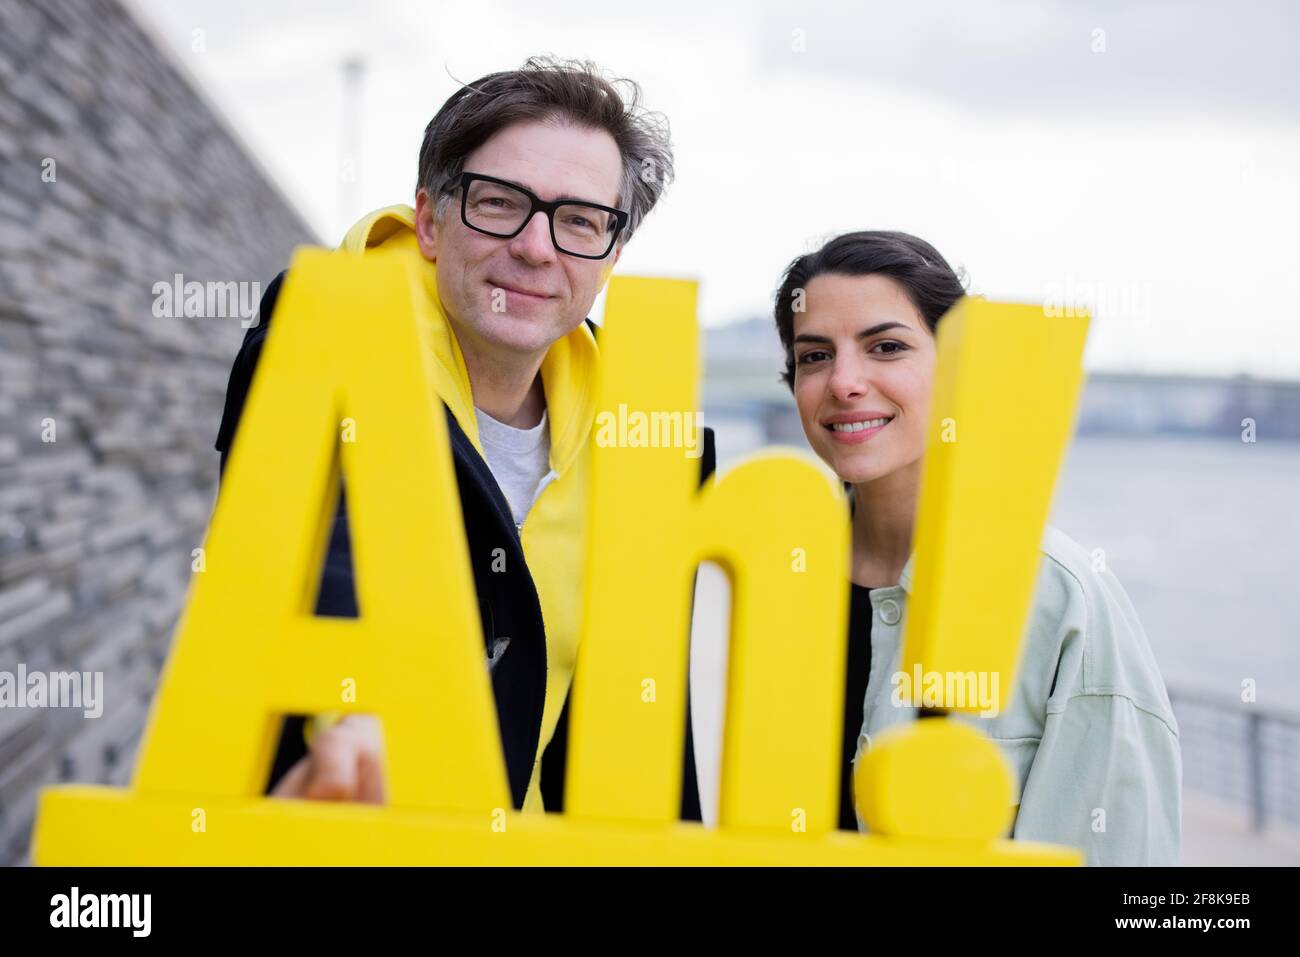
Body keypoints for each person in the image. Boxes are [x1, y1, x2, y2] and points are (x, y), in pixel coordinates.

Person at [215, 57, 710, 819]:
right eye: (500, 203)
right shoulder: (326, 335)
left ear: (611, 255)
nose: (537, 248)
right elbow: (329, 537)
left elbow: (637, 718)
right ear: (428, 220)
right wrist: (354, 710)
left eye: (579, 221)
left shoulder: (643, 438)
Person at [771, 230, 1182, 864]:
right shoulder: (755, 579)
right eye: (815, 356)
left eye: (887, 347)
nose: (845, 382)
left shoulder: (1059, 595)